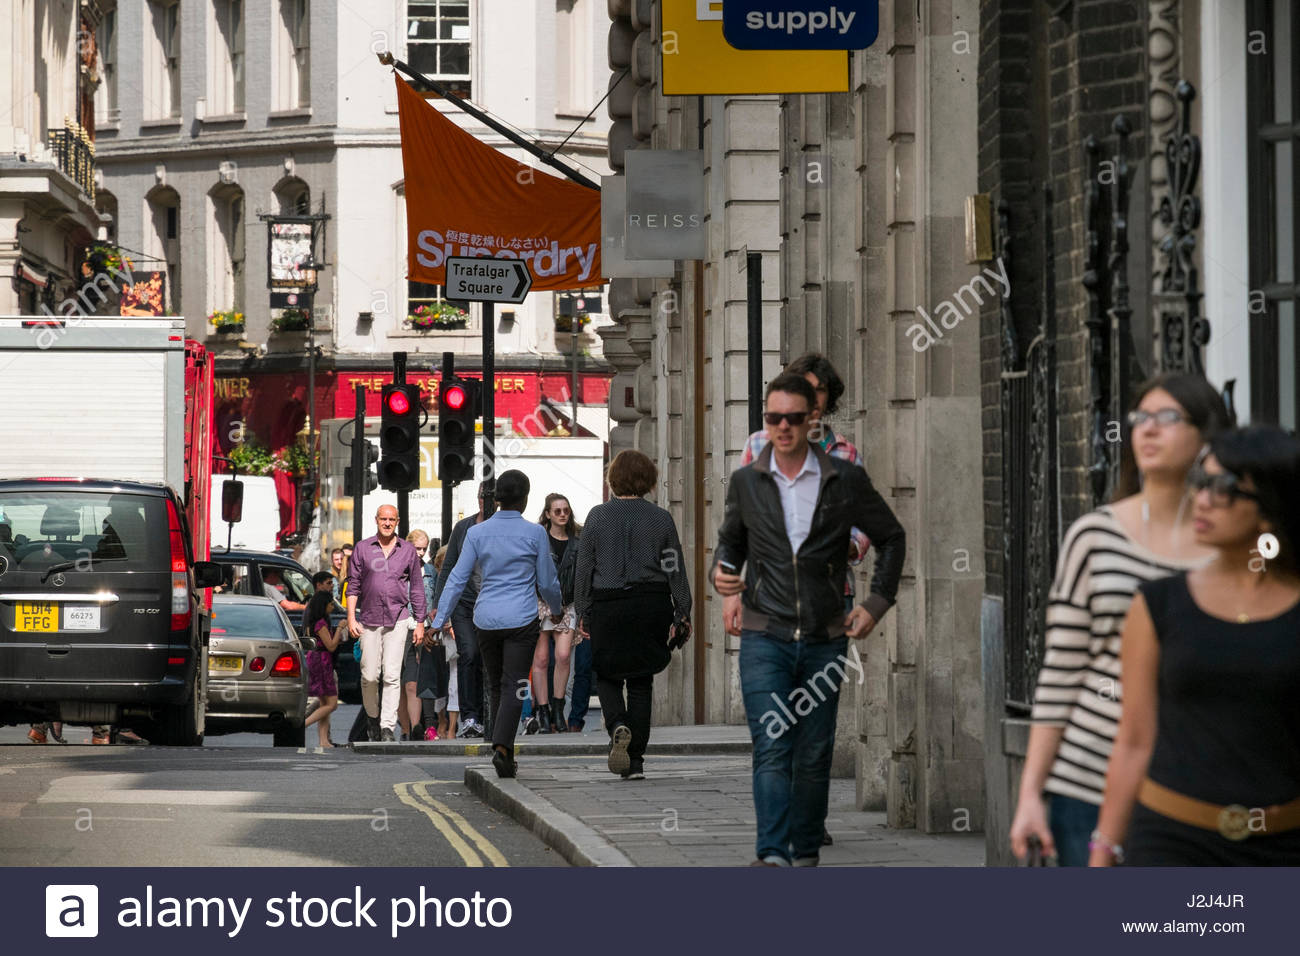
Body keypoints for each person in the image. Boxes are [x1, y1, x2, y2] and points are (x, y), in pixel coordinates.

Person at [1009, 374, 1230, 866]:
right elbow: (1061, 673)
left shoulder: (1229, 546)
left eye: (1168, 418)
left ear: (1207, 436)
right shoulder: (1095, 536)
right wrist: (1030, 795)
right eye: (1140, 418)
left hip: (1193, 783)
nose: (1149, 430)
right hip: (1088, 779)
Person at [714, 373, 906, 867]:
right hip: (765, 632)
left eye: (793, 418)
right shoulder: (748, 480)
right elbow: (732, 542)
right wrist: (725, 582)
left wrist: (876, 602)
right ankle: (772, 855)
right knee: (773, 744)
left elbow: (890, 536)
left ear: (811, 419)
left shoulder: (845, 479)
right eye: (773, 418)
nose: (782, 427)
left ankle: (804, 855)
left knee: (814, 753)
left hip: (825, 635)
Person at [1090, 426, 1300, 866]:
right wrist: (1104, 848)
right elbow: (1133, 740)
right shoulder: (1158, 605)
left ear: (1270, 507)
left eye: (1223, 488)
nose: (1202, 498)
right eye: (1201, 482)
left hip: (1283, 845)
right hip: (1170, 841)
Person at [431, 470, 563, 779]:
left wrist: (439, 619)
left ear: (496, 499)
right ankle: (503, 747)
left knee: (495, 683)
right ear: (525, 499)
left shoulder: (477, 533)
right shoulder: (535, 534)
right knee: (516, 684)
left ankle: (498, 741)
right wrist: (555, 610)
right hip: (521, 618)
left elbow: (457, 579)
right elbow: (547, 580)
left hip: (486, 618)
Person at [574, 450, 692, 780]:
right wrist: (683, 610)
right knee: (641, 681)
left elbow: (584, 569)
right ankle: (636, 760)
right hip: (651, 604)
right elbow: (673, 567)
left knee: (606, 673)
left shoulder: (597, 517)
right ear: (647, 480)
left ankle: (617, 724)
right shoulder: (660, 518)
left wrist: (582, 611)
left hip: (608, 606)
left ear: (614, 479)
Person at [346, 505, 427, 742]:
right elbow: (352, 586)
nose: (388, 523)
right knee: (370, 676)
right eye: (384, 519)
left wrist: (420, 622)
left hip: (398, 619)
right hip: (369, 620)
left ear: (398, 521)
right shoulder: (363, 548)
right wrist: (351, 617)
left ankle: (387, 727)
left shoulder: (408, 550)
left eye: (392, 519)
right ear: (376, 520)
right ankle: (372, 718)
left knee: (392, 676)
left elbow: (418, 588)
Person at [435, 481, 491, 739]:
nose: (485, 501)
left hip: (492, 603)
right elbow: (449, 569)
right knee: (468, 653)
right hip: (465, 602)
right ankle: (470, 717)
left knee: (486, 658)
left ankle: (486, 714)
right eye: (481, 496)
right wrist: (438, 605)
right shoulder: (463, 528)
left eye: (489, 497)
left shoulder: (502, 528)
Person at [528, 494, 582, 734]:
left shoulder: (577, 541)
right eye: (557, 511)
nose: (562, 514)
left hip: (568, 603)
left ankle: (559, 708)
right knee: (540, 660)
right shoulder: (539, 539)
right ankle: (542, 709)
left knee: (562, 656)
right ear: (548, 514)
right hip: (540, 602)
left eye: (566, 510)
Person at [400, 529, 444, 740]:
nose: (420, 552)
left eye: (424, 549)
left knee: (425, 678)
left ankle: (428, 725)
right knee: (409, 682)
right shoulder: (399, 570)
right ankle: (414, 727)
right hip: (404, 627)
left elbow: (435, 600)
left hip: (425, 628)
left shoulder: (430, 572)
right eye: (417, 548)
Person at [303, 570, 341, 749]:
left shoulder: (315, 620)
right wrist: (340, 629)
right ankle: (302, 725)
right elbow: (331, 645)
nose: (333, 606)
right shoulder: (320, 623)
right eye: (330, 604)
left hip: (317, 659)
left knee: (325, 703)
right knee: (332, 704)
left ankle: (323, 740)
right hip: (322, 662)